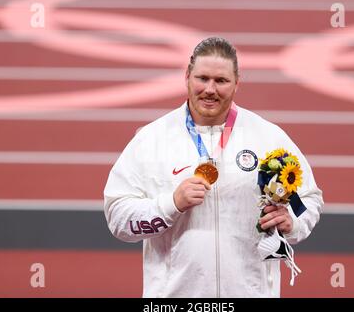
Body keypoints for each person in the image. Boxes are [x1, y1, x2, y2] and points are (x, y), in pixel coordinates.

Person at [104, 37, 323, 298]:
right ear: (187, 76)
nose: (210, 89)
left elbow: (307, 199)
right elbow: (117, 218)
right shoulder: (152, 140)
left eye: (221, 81)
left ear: (236, 83)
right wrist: (171, 204)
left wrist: (292, 223)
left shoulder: (267, 137)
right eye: (202, 78)